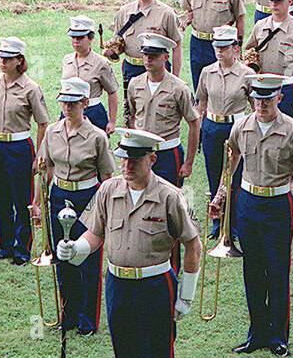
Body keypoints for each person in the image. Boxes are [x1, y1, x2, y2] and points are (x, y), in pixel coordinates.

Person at [58, 128, 202, 358]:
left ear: (152, 159)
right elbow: (95, 234)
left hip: (155, 287)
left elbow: (192, 243)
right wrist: (75, 248)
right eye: (124, 158)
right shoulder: (108, 190)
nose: (127, 165)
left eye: (135, 159)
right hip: (118, 286)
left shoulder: (169, 196)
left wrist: (187, 296)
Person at [211, 74, 293, 357]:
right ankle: (256, 333)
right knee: (252, 270)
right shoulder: (242, 126)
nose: (261, 104)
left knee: (278, 270)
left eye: (267, 99)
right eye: (257, 99)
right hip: (248, 203)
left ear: (279, 98)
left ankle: (278, 336)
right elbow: (230, 162)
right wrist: (220, 195)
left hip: (279, 204)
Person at [36, 77, 114, 335]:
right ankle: (67, 315)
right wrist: (38, 202)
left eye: (73, 103)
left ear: (85, 103)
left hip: (87, 199)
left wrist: (104, 213)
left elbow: (107, 178)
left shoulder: (97, 137)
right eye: (64, 102)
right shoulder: (52, 132)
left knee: (88, 260)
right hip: (59, 196)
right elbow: (45, 169)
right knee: (62, 257)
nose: (67, 108)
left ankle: (87, 319)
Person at [0, 37, 50, 266]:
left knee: (21, 200)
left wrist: (39, 154)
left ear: (20, 60)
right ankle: (5, 246)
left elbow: (42, 123)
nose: (2, 61)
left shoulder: (30, 88)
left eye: (7, 58)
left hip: (19, 147)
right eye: (0, 57)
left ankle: (22, 249)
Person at [195, 25, 253, 247]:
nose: (219, 51)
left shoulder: (246, 74)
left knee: (234, 176)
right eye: (216, 47)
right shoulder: (207, 72)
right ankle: (217, 220)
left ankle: (234, 223)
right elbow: (202, 103)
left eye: (224, 47)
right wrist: (200, 130)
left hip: (235, 127)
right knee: (214, 173)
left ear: (235, 48)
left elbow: (254, 106)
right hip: (212, 126)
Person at [126, 34, 199, 192]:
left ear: (166, 57)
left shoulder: (179, 89)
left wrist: (188, 163)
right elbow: (131, 116)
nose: (148, 60)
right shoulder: (135, 84)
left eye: (153, 56)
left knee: (170, 198)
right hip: (141, 153)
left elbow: (193, 123)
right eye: (145, 55)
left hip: (168, 154)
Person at [181, 0, 246, 92]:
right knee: (198, 81)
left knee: (220, 83)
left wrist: (238, 45)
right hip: (197, 42)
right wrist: (183, 24)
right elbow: (187, 12)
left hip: (220, 42)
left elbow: (240, 18)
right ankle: (200, 111)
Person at [243, 0, 293, 119]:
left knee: (288, 130)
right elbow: (249, 50)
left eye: (279, 0)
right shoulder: (260, 26)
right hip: (263, 86)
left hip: (287, 88)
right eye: (272, 0)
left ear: (290, 1)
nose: (274, 4)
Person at [106, 0, 182, 86]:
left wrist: (175, 78)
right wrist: (112, 51)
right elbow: (118, 42)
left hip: (158, 69)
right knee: (131, 104)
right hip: (131, 69)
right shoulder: (124, 12)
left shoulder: (166, 13)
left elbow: (177, 45)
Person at [63, 15, 119, 134]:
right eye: (73, 37)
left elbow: (112, 92)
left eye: (80, 38)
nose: (75, 41)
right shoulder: (66, 60)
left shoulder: (101, 63)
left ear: (90, 38)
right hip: (69, 111)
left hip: (92, 112)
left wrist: (112, 121)